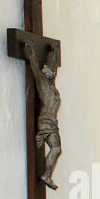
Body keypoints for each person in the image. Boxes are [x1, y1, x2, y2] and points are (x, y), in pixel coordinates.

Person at [23, 42, 61, 190]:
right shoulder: (42, 82)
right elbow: (33, 65)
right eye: (50, 65)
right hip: (46, 121)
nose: (52, 68)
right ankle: (46, 175)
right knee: (56, 148)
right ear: (45, 69)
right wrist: (31, 52)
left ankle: (47, 175)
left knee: (57, 149)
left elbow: (54, 68)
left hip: (52, 121)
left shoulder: (51, 84)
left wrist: (55, 51)